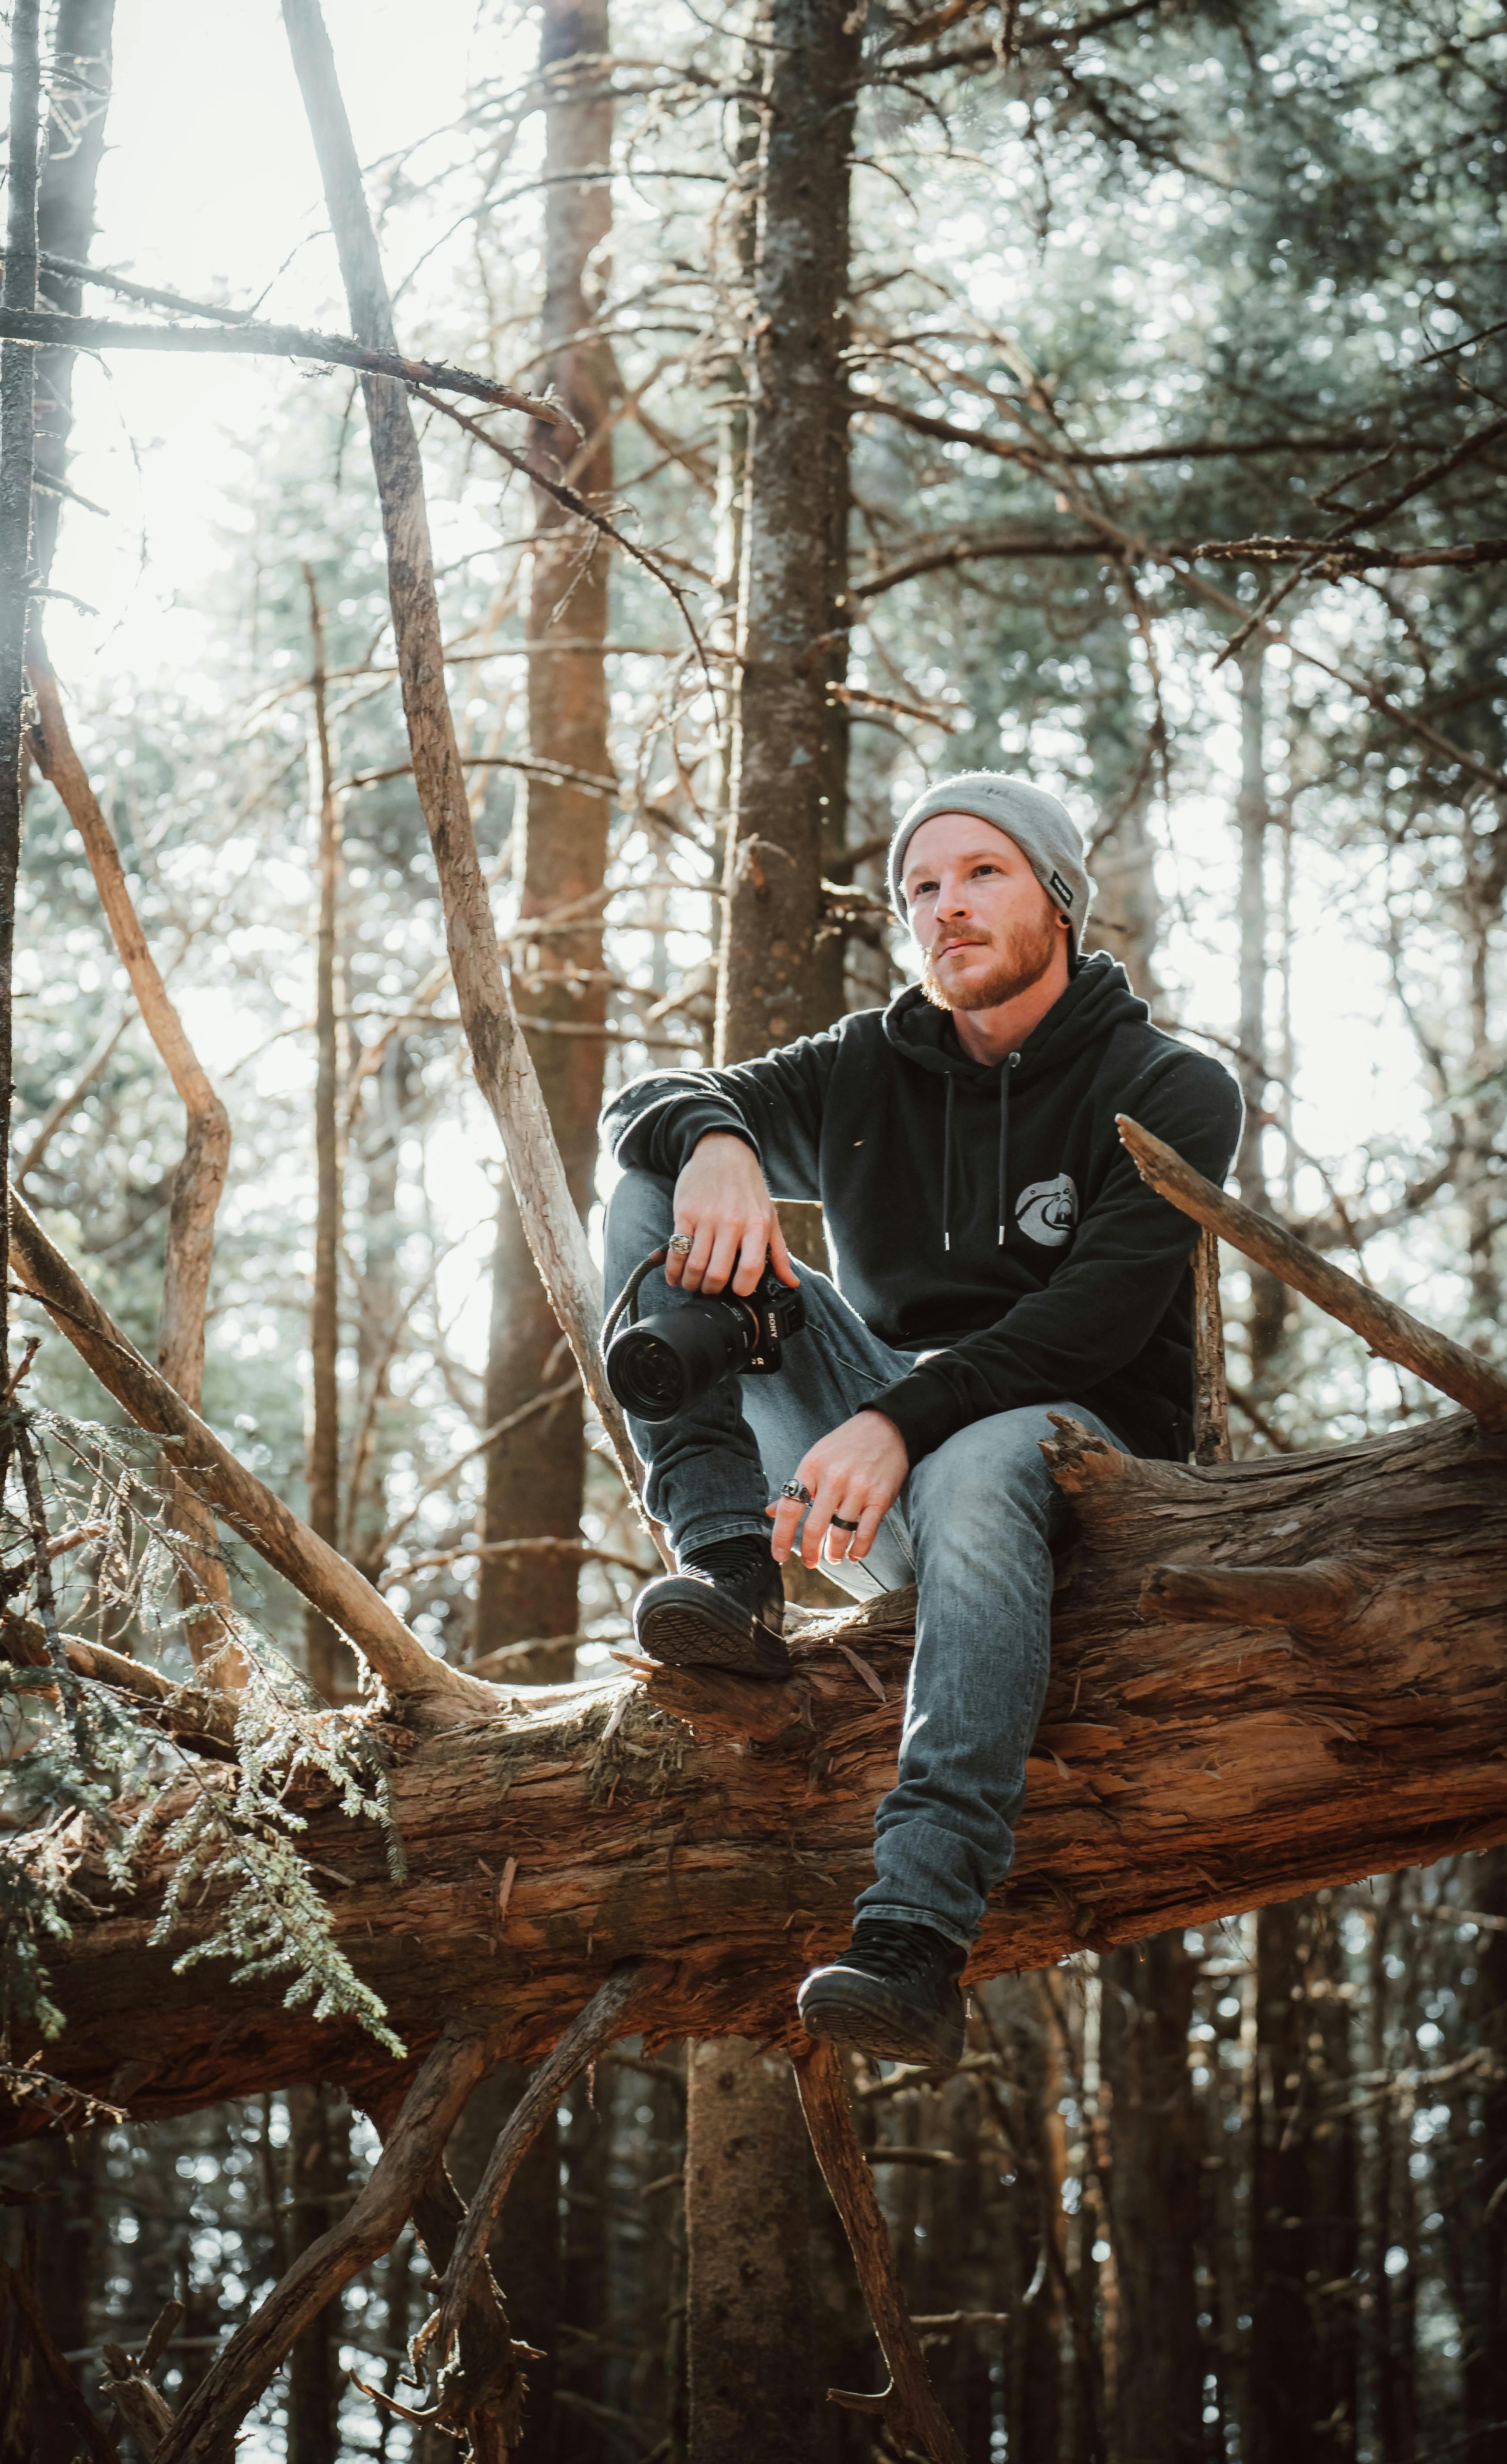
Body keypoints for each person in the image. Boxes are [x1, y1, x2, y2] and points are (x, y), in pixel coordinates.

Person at [599, 771, 1242, 2071]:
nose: (945, 908)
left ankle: (916, 1934)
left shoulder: (1169, 1086)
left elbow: (1093, 1328)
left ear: (1059, 896)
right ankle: (727, 1563)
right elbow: (637, 1104)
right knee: (652, 1180)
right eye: (921, 887)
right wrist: (717, 1139)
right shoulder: (866, 1066)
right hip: (876, 1459)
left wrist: (898, 1420)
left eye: (982, 874)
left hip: (1079, 1468)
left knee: (983, 1454)